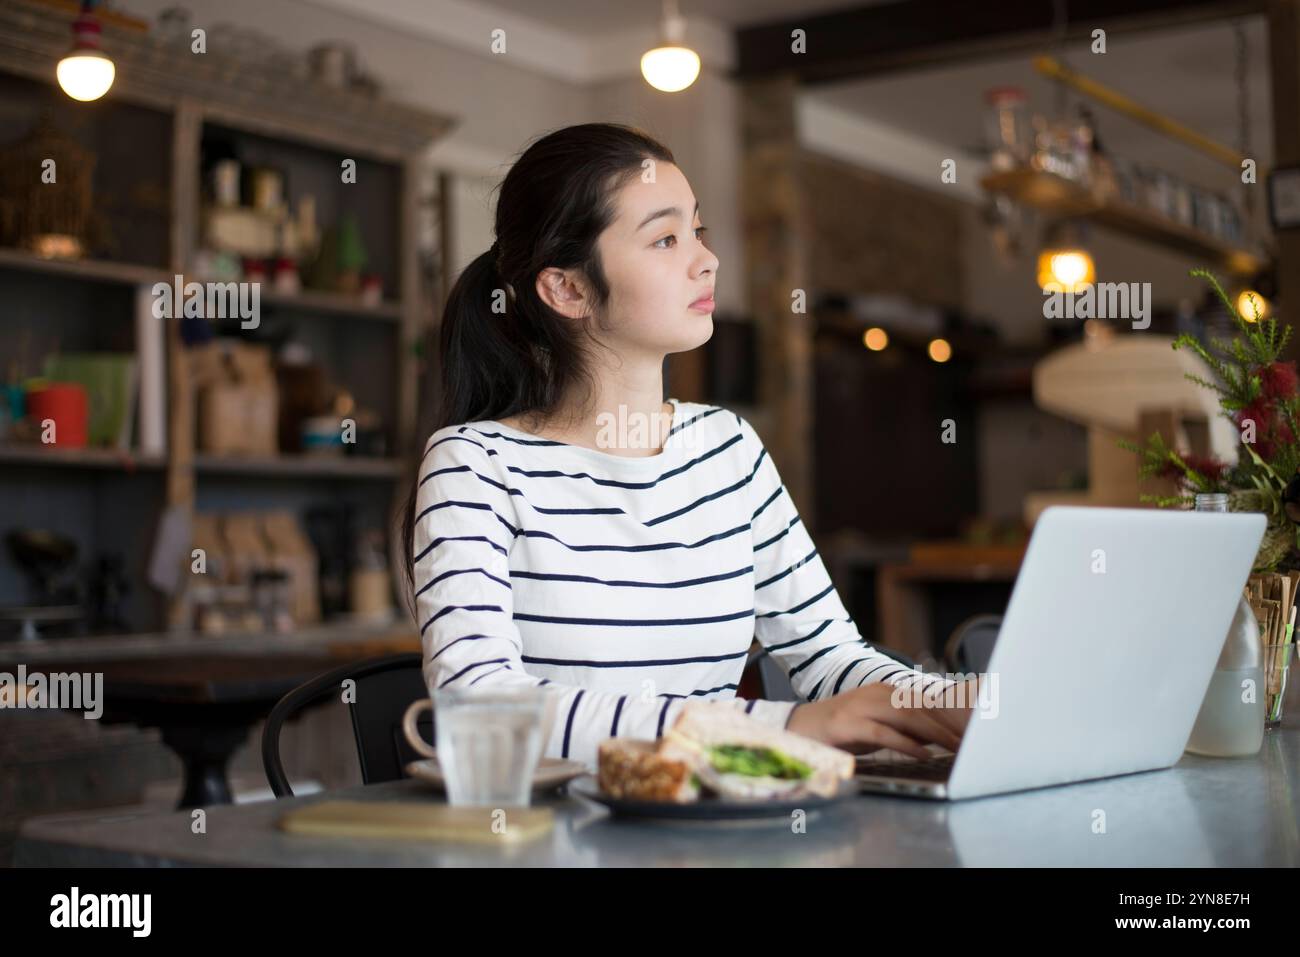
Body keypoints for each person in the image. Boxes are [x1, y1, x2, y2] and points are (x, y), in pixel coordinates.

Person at [401, 123, 973, 768]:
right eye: (665, 238)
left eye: (697, 232)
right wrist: (777, 729)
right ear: (568, 289)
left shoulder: (726, 446)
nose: (707, 259)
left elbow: (827, 657)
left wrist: (951, 701)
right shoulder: (474, 466)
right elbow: (478, 705)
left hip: (712, 828)